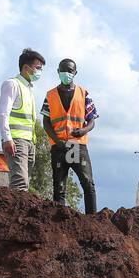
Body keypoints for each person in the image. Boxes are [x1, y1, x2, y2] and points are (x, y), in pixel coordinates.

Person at [41, 58, 98, 213]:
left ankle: (93, 218)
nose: (67, 73)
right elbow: (46, 122)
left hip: (77, 145)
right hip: (59, 147)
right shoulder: (50, 95)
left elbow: (92, 121)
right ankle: (59, 221)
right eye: (63, 70)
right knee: (59, 186)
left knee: (88, 183)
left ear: (75, 72)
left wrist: (83, 131)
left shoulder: (83, 93)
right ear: (58, 72)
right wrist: (56, 139)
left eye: (70, 71)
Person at [0, 48, 45, 191]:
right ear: (25, 67)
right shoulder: (12, 84)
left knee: (25, 184)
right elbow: (2, 113)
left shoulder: (28, 88)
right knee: (20, 184)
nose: (39, 72)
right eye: (37, 68)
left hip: (30, 142)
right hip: (16, 141)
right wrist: (7, 138)